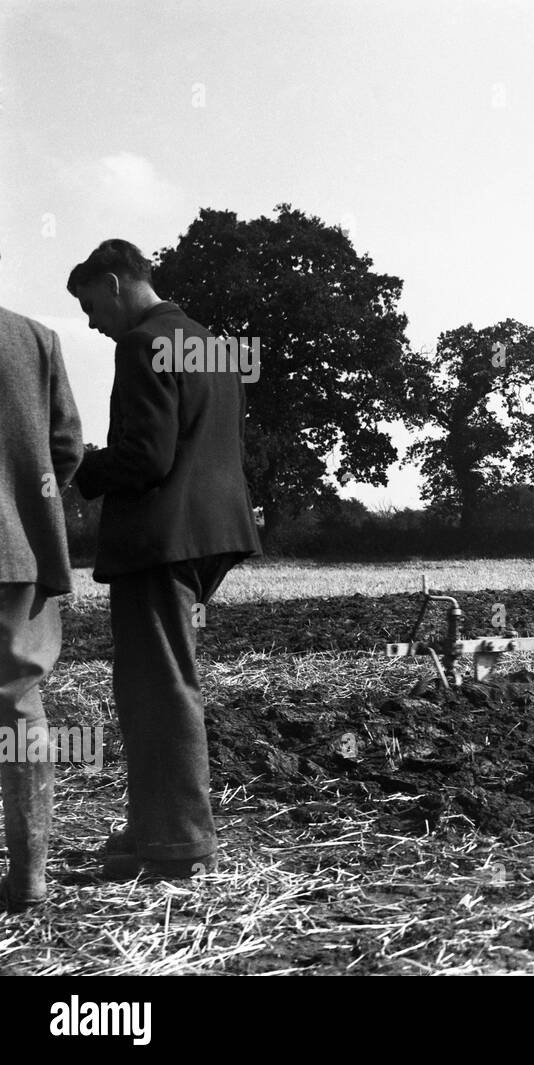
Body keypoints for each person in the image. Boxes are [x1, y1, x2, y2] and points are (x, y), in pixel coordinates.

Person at [67, 239, 261, 881]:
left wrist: (78, 470)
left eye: (92, 306)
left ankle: (177, 841)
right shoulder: (209, 342)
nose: (93, 323)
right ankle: (158, 826)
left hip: (160, 539)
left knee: (155, 688)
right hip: (208, 534)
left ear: (117, 282)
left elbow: (145, 459)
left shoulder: (142, 342)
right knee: (165, 679)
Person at [0, 289, 83, 911]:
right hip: (18, 548)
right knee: (20, 704)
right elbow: (67, 447)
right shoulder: (35, 340)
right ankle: (29, 878)